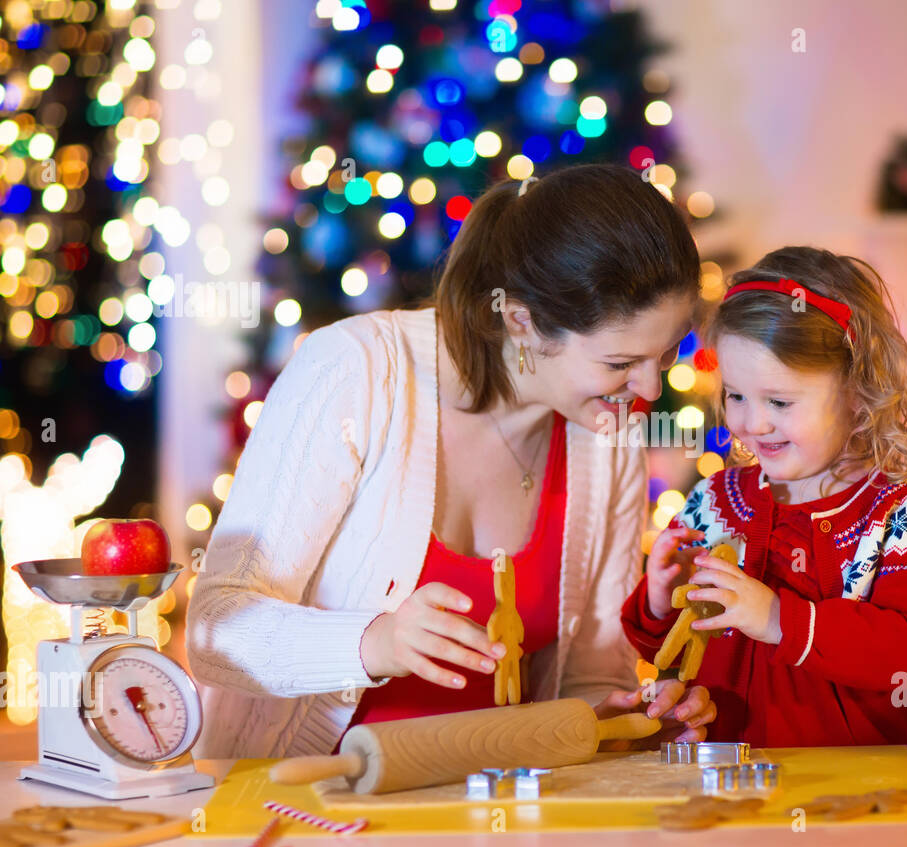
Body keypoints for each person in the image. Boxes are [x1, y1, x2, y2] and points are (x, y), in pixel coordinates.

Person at [187, 164, 717, 758]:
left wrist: (621, 722)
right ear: (521, 321)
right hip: (296, 808)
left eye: (666, 353)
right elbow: (214, 627)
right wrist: (372, 642)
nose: (647, 387)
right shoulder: (357, 370)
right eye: (620, 363)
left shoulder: (605, 439)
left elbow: (590, 674)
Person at [621, 246, 907, 748]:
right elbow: (667, 647)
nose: (752, 423)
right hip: (724, 782)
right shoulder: (713, 499)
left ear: (856, 391)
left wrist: (779, 619)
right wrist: (660, 597)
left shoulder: (900, 515)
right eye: (736, 395)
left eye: (778, 400)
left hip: (855, 796)